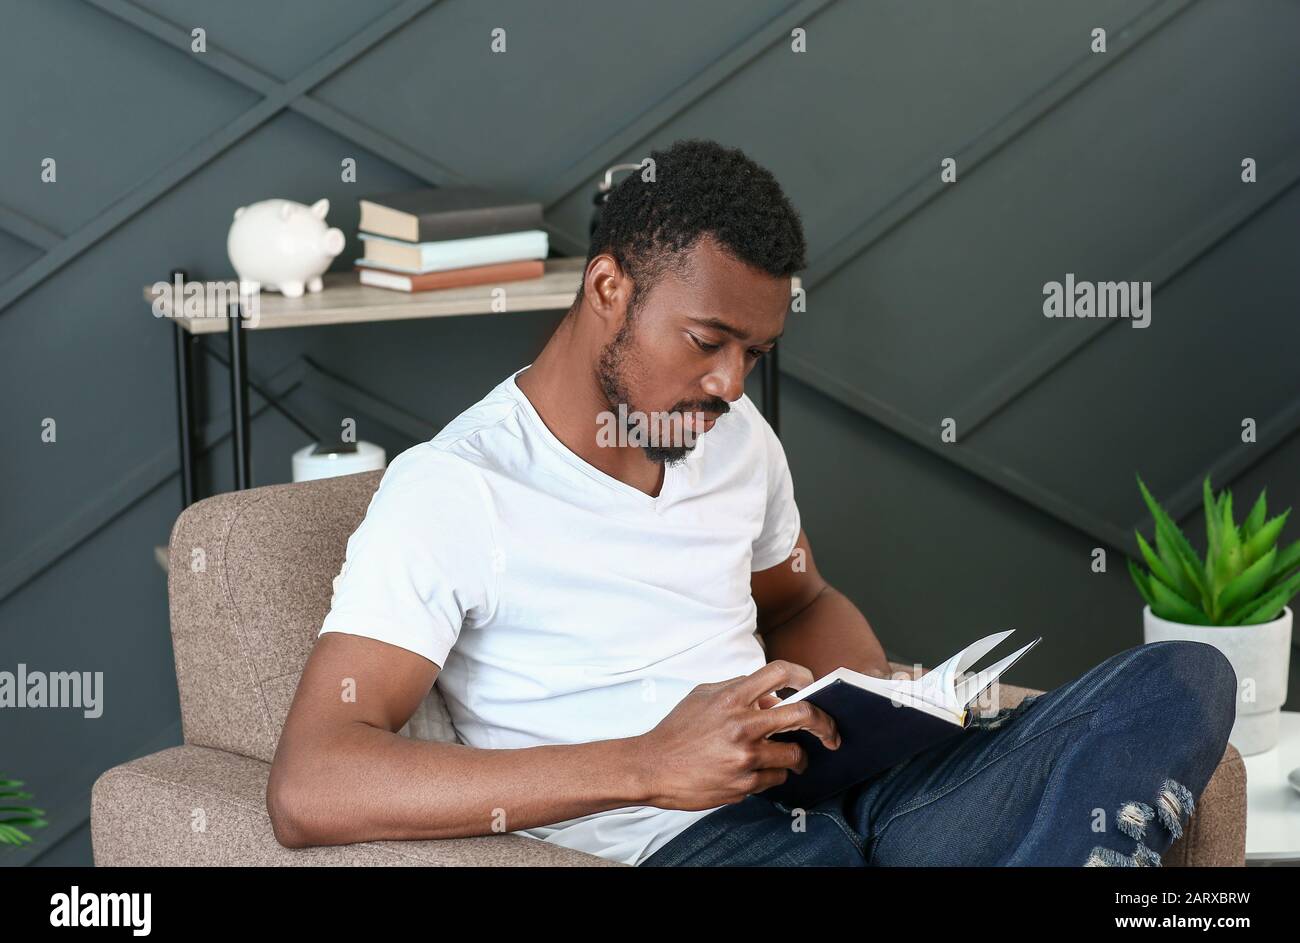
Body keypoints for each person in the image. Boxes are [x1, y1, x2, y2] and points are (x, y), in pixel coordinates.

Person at [266, 138, 1237, 867]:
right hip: (688, 840)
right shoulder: (455, 487)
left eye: (755, 355)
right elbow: (312, 782)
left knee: (1181, 679)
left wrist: (873, 707)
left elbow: (799, 598)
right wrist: (648, 760)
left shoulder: (735, 444)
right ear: (608, 286)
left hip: (843, 793)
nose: (731, 384)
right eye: (706, 340)